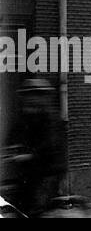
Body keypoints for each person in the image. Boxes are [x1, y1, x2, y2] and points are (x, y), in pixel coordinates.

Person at [2, 78, 66, 216]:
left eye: (36, 95)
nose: (31, 99)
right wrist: (9, 150)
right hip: (28, 170)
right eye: (28, 95)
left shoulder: (51, 118)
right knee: (18, 203)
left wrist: (32, 154)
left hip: (49, 169)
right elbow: (13, 135)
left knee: (36, 206)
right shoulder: (24, 116)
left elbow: (51, 144)